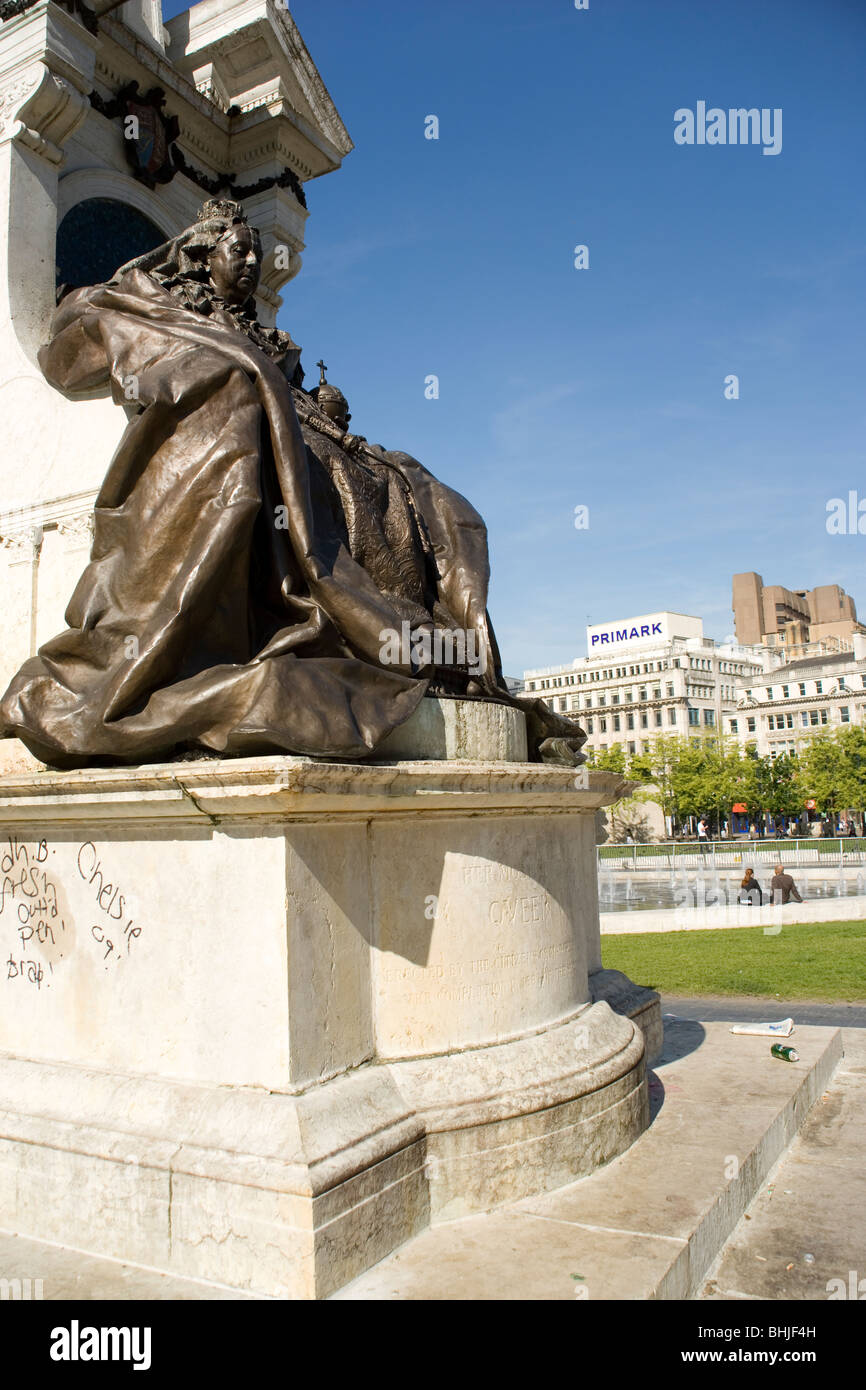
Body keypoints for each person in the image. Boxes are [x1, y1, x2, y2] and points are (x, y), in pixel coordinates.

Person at [0, 198, 583, 768]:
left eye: (256, 253)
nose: (252, 263)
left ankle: (417, 639)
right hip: (253, 432)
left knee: (405, 480)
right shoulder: (172, 307)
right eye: (239, 251)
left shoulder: (266, 335)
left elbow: (300, 399)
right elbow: (89, 337)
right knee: (253, 419)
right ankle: (321, 622)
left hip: (299, 436)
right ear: (204, 256)